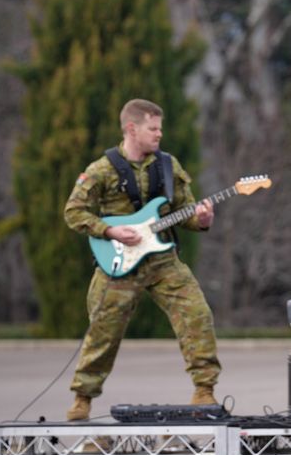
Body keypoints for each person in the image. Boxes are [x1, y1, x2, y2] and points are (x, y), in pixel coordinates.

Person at [63, 99, 220, 421]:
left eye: (160, 128)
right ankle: (82, 399)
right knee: (102, 332)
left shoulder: (167, 166)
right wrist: (109, 231)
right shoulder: (101, 170)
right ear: (132, 129)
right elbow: (74, 212)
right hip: (118, 266)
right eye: (153, 128)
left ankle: (204, 389)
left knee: (197, 314)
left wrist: (202, 220)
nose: (159, 134)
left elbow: (185, 214)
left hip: (162, 260)